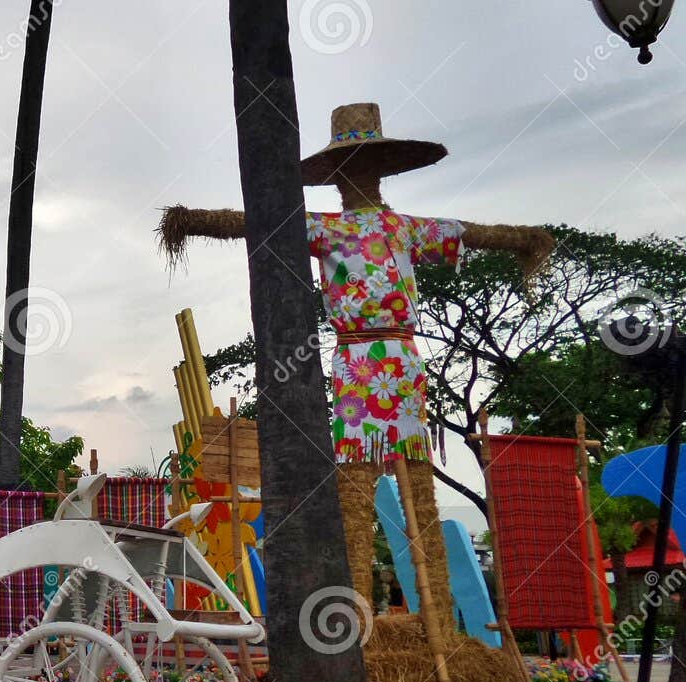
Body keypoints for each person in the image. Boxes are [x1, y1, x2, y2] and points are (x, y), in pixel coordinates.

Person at [159, 102, 555, 616]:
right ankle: (358, 613)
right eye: (356, 165)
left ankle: (433, 619)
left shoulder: (398, 229)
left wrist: (526, 240)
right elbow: (255, 224)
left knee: (411, 474)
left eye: (365, 164)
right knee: (357, 479)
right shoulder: (330, 230)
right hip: (361, 362)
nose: (360, 175)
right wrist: (192, 222)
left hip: (398, 360)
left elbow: (472, 232)